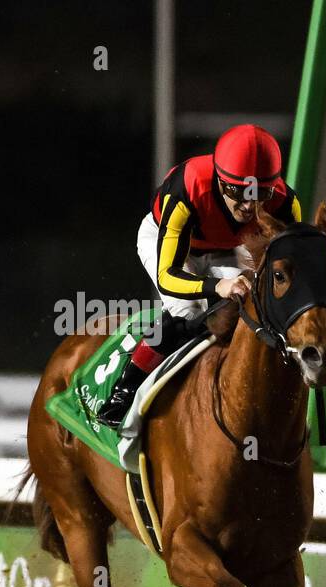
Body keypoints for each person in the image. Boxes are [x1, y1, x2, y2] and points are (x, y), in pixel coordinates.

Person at [94, 124, 302, 428]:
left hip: (227, 248)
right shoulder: (187, 188)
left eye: (261, 193)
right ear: (219, 180)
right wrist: (218, 285)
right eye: (238, 191)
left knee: (248, 309)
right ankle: (124, 392)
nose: (249, 205)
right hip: (172, 247)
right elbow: (168, 276)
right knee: (185, 312)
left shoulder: (285, 203)